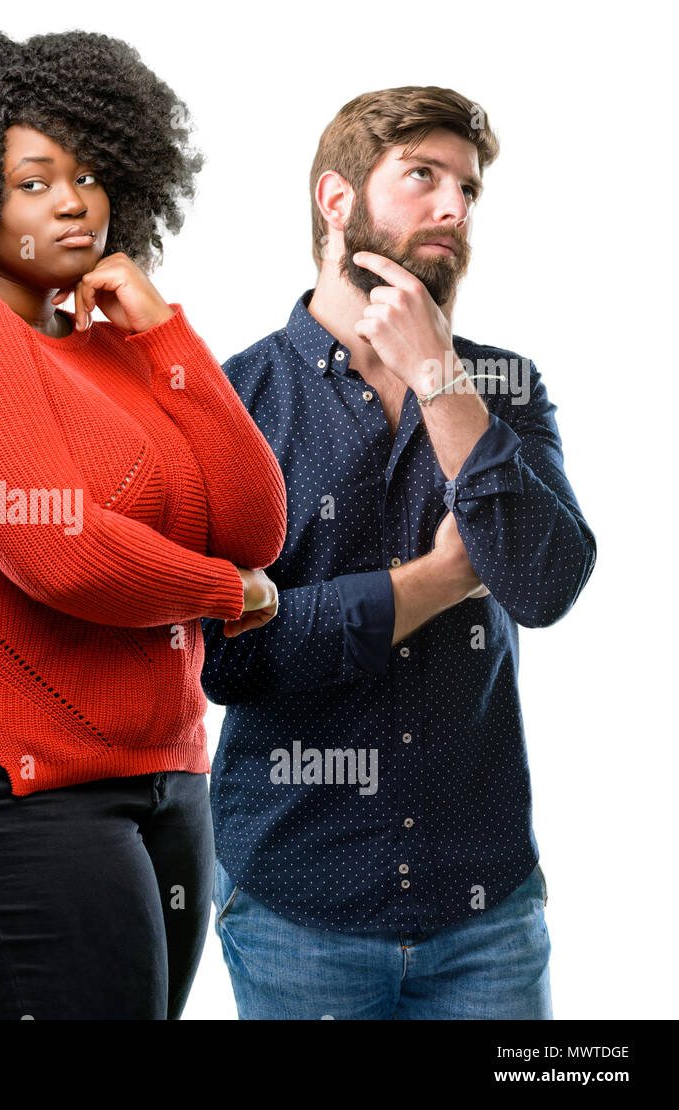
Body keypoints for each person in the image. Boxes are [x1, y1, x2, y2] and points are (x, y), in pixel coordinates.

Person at [0, 30, 288, 1019]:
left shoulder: (121, 345)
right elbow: (62, 552)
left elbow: (255, 524)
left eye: (87, 174)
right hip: (9, 769)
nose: (71, 200)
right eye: (32, 182)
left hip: (166, 770)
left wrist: (165, 334)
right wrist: (223, 594)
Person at [203, 87, 597, 1019]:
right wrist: (437, 581)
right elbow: (230, 656)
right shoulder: (234, 401)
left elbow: (543, 583)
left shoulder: (504, 383)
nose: (454, 208)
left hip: (488, 913)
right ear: (336, 199)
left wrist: (438, 378)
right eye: (422, 176)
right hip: (299, 909)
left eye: (467, 188)